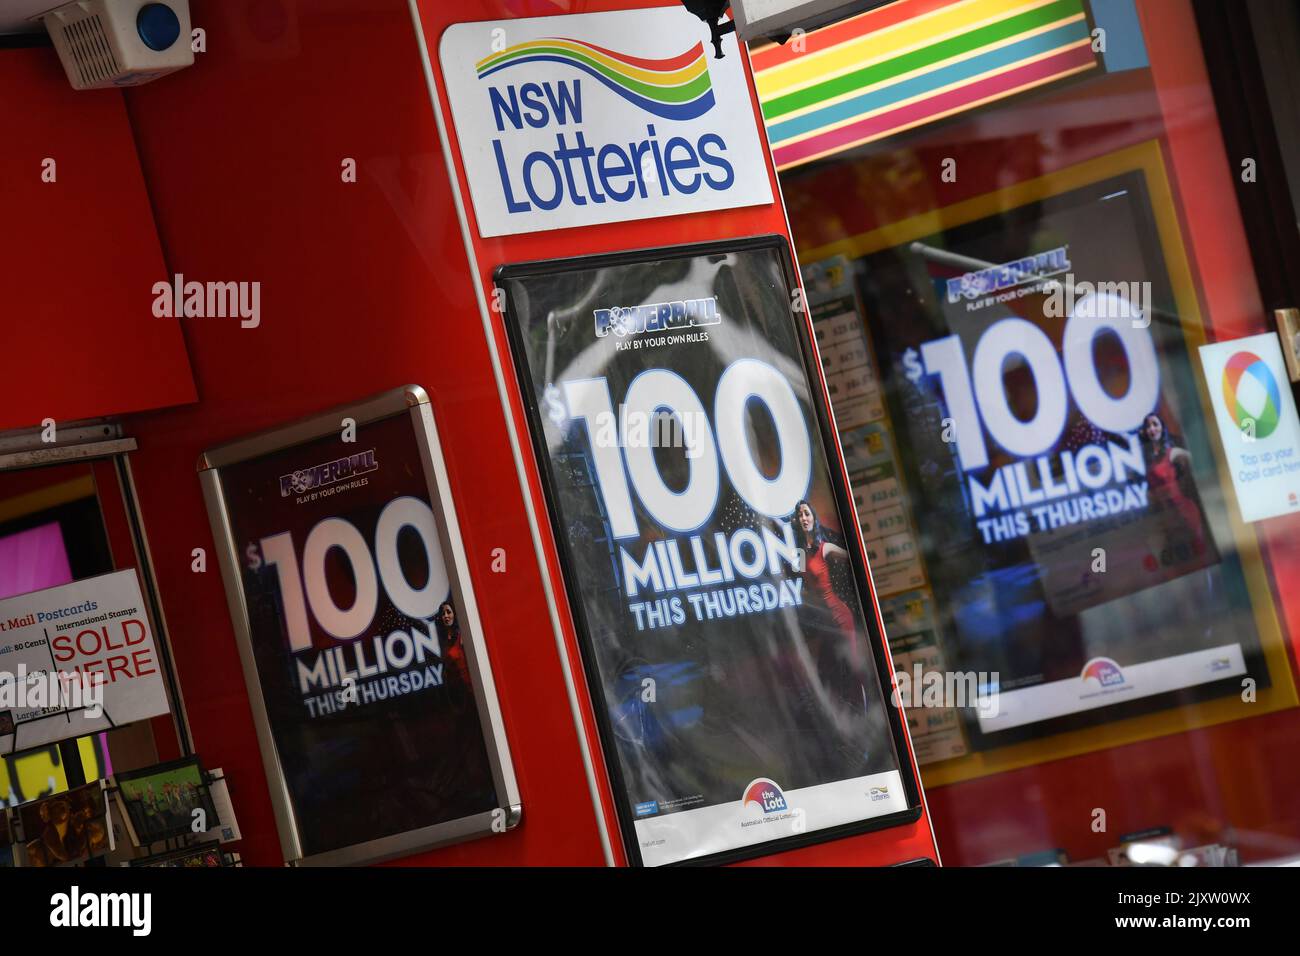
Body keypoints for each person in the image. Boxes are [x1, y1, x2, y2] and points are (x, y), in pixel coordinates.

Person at [1140, 412, 1206, 554]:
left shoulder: (1172, 453)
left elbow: (1199, 461)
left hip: (1184, 514)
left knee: (1199, 552)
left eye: (1155, 424)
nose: (1151, 429)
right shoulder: (1147, 459)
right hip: (1165, 519)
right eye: (1148, 426)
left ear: (1162, 428)